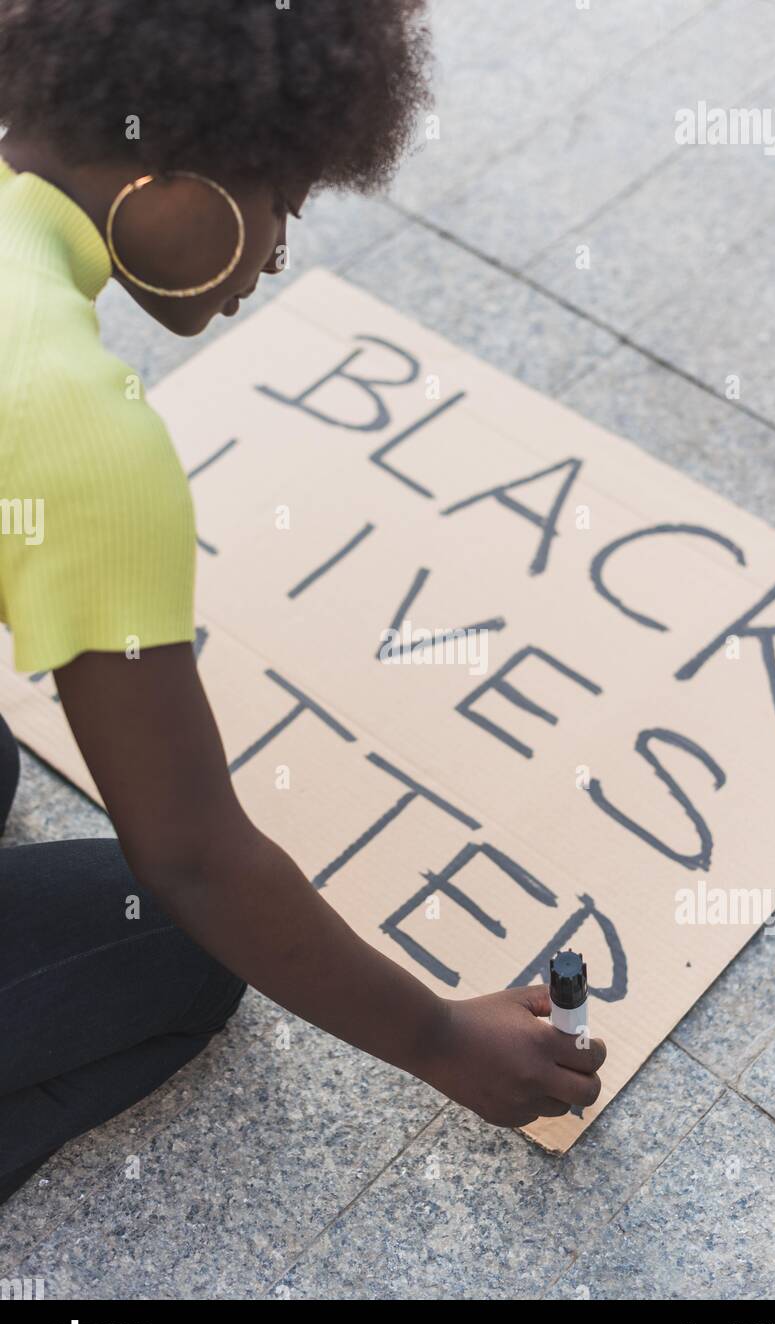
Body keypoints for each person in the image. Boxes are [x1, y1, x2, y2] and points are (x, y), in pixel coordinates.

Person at [0, 0, 605, 1205]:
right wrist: (441, 1039)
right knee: (183, 951)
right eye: (282, 198)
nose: (275, 254)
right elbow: (197, 858)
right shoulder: (70, 421)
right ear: (178, 162)